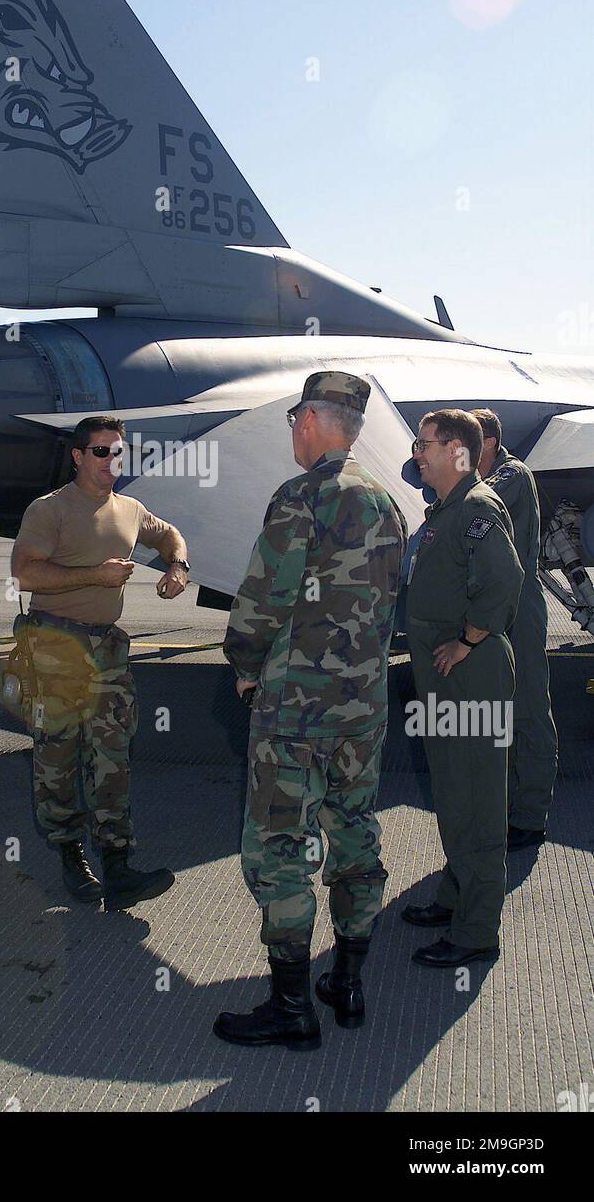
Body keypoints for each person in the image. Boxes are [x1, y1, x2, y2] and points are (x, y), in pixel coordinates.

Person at [213, 372, 408, 1050]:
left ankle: (291, 1006)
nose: (293, 431)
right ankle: (347, 982)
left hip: (296, 711)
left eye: (296, 418)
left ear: (314, 422)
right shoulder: (388, 502)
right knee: (354, 833)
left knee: (280, 847)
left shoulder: (301, 498)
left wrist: (243, 664)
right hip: (363, 708)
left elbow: (262, 600)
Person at [10, 416, 190, 911]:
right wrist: (96, 574)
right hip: (55, 649)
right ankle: (71, 857)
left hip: (108, 651)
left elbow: (170, 534)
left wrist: (178, 565)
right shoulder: (50, 510)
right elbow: (25, 574)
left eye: (117, 452)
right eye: (100, 452)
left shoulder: (130, 509)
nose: (111, 461)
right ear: (77, 456)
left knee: (113, 757)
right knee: (58, 757)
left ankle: (118, 865)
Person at [403, 410, 523, 968]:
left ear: (456, 450)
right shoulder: (446, 511)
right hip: (445, 675)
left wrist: (469, 641)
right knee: (454, 789)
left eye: (423, 443)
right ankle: (456, 898)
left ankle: (477, 930)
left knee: (474, 797)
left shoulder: (476, 508)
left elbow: (504, 581)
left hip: (469, 675)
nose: (416, 452)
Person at [471, 408, 557, 850]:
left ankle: (530, 815)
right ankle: (502, 809)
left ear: (486, 442)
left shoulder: (512, 474)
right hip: (492, 606)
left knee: (527, 711)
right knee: (494, 715)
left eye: (465, 439)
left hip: (519, 606)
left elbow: (474, 502)